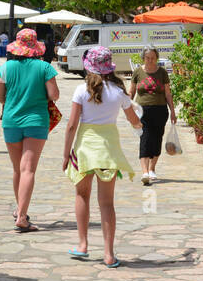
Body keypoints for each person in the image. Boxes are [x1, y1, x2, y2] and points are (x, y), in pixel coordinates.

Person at [61, 47, 141, 267]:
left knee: (82, 196)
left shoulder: (80, 91)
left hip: (85, 150)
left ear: (89, 67)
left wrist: (66, 154)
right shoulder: (118, 91)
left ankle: (83, 244)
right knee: (106, 203)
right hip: (108, 150)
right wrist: (141, 125)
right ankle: (108, 254)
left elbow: (71, 126)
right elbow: (133, 119)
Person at [0, 28, 60, 232]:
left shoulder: (6, 68)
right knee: (28, 169)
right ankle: (22, 216)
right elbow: (54, 95)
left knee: (18, 169)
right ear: (35, 47)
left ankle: (19, 208)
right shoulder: (44, 68)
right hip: (36, 121)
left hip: (11, 121)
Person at [130, 47, 176, 185]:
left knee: (157, 139)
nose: (150, 60)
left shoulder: (162, 73)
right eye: (147, 58)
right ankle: (144, 172)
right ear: (143, 58)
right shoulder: (138, 72)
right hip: (142, 111)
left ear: (156, 58)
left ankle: (152, 168)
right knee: (145, 138)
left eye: (153, 58)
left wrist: (173, 111)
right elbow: (131, 92)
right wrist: (129, 108)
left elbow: (167, 93)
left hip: (160, 110)